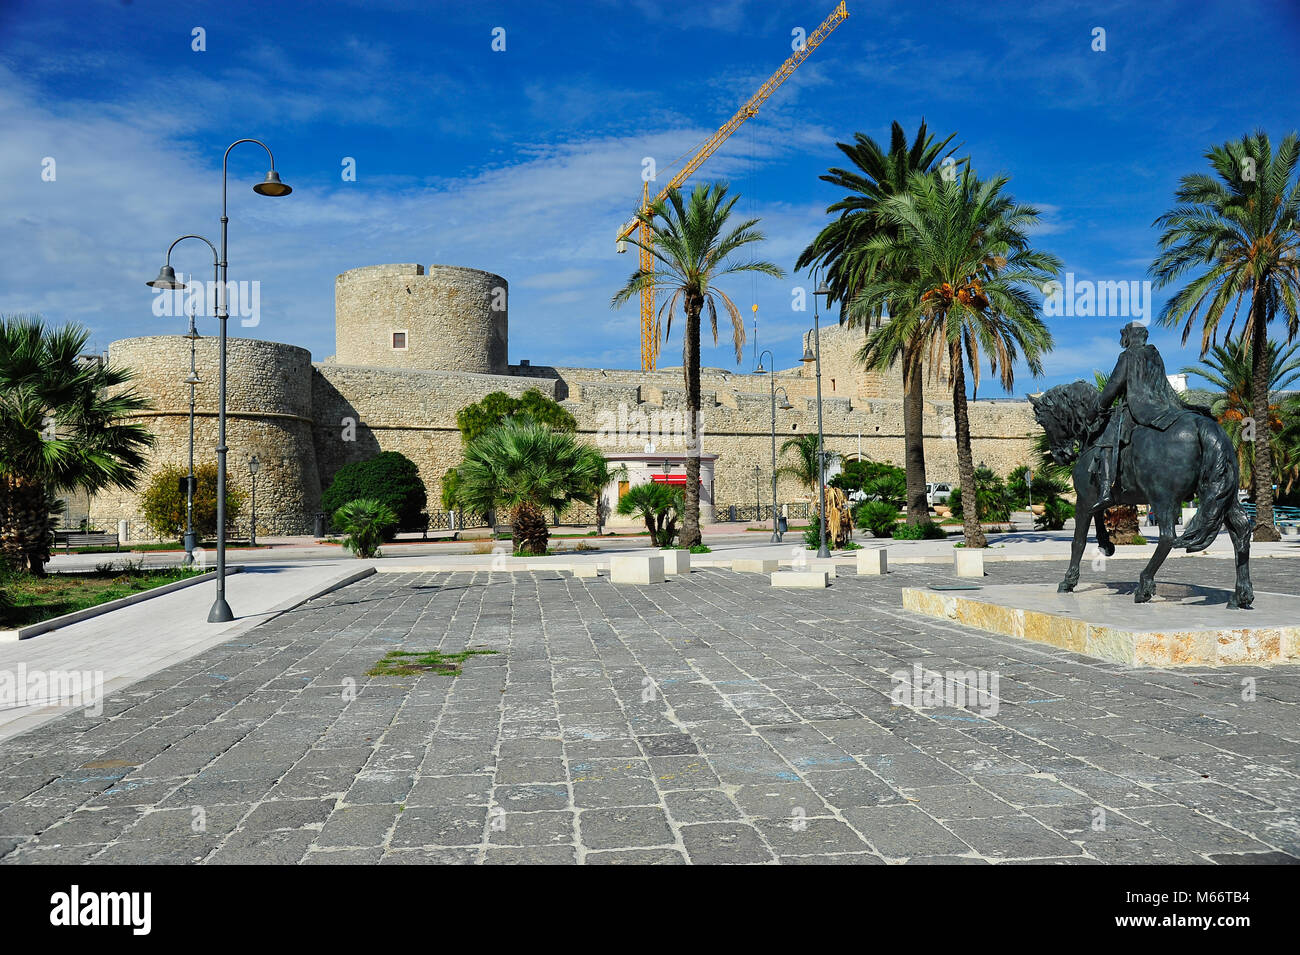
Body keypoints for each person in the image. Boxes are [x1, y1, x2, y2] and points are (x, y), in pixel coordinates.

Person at [1091, 322, 1190, 511]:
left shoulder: (1127, 355)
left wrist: (1100, 406)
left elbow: (1113, 386)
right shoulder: (1154, 355)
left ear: (1129, 336)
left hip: (1138, 408)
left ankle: (1105, 490)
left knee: (1106, 442)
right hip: (1163, 407)